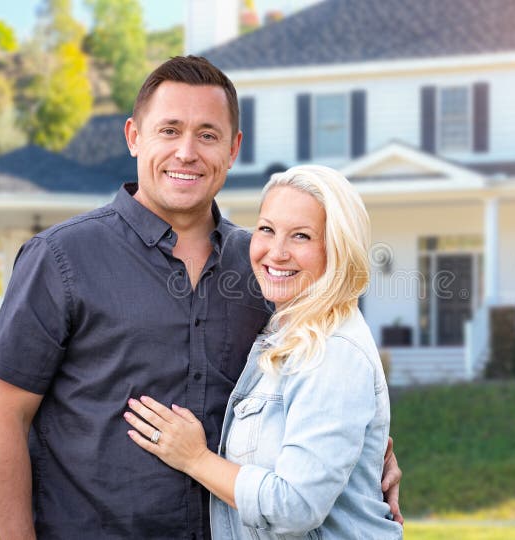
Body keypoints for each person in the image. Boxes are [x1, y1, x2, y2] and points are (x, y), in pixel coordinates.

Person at [0, 55, 401, 540]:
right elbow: (2, 414)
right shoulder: (61, 258)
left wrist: (370, 455)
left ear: (233, 148)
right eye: (169, 130)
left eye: (207, 134)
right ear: (134, 136)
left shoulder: (266, 265)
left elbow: (320, 389)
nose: (186, 152)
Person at [123, 165, 404, 539]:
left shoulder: (332, 351)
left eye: (301, 236)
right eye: (267, 229)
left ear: (337, 248)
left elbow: (295, 506)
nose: (277, 252)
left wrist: (194, 458)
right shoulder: (284, 331)